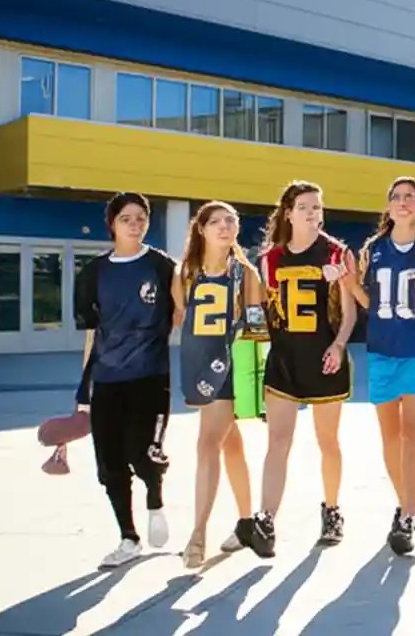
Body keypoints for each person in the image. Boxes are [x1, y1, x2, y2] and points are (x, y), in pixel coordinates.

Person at [238, 181, 357, 558]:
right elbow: (262, 313)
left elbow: (351, 310)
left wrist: (338, 344)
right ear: (288, 212)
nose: (313, 214)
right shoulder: (270, 258)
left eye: (318, 207)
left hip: (325, 358)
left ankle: (332, 509)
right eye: (305, 207)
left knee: (328, 441)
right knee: (278, 441)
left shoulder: (338, 253)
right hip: (284, 359)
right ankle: (267, 518)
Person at [342, 177, 415, 555]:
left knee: (412, 432)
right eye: (396, 197)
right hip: (382, 348)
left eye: (411, 197)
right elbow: (368, 303)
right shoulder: (372, 250)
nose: (403, 202)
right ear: (387, 206)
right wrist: (349, 282)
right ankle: (402, 500)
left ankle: (408, 513)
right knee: (389, 435)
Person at [73, 192, 177, 569]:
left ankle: (155, 496)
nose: (134, 224)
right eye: (126, 218)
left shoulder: (162, 266)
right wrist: (83, 391)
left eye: (141, 218)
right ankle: (128, 538)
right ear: (112, 224)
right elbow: (91, 334)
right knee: (110, 465)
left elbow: (179, 312)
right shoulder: (93, 273)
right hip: (107, 379)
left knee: (142, 453)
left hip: (150, 377)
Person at [172, 201, 262, 568]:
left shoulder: (246, 274)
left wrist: (256, 387)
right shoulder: (184, 274)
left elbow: (257, 331)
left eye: (231, 221)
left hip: (230, 367)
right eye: (216, 222)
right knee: (230, 445)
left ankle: (197, 534)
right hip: (197, 366)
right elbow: (178, 320)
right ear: (201, 228)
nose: (225, 227)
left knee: (208, 443)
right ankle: (247, 522)